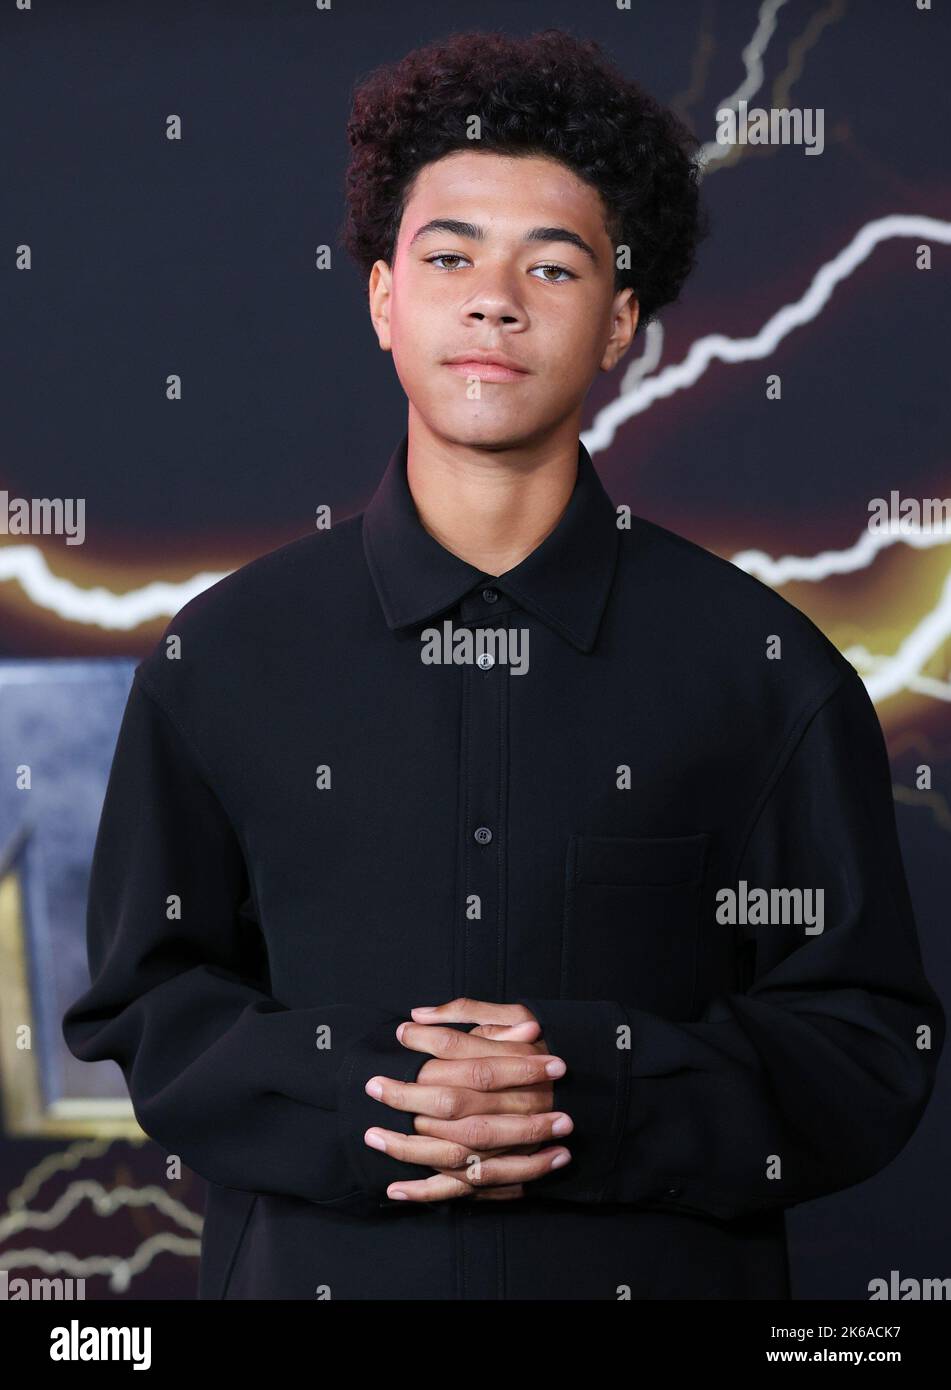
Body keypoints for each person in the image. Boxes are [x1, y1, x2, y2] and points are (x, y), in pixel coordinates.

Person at [63, 28, 943, 1300]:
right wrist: (374, 1092)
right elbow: (147, 1006)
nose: (494, 300)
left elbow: (864, 1046)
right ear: (383, 298)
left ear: (621, 322)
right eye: (450, 256)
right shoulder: (223, 658)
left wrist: (594, 1091)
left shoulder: (765, 674)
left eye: (552, 264)